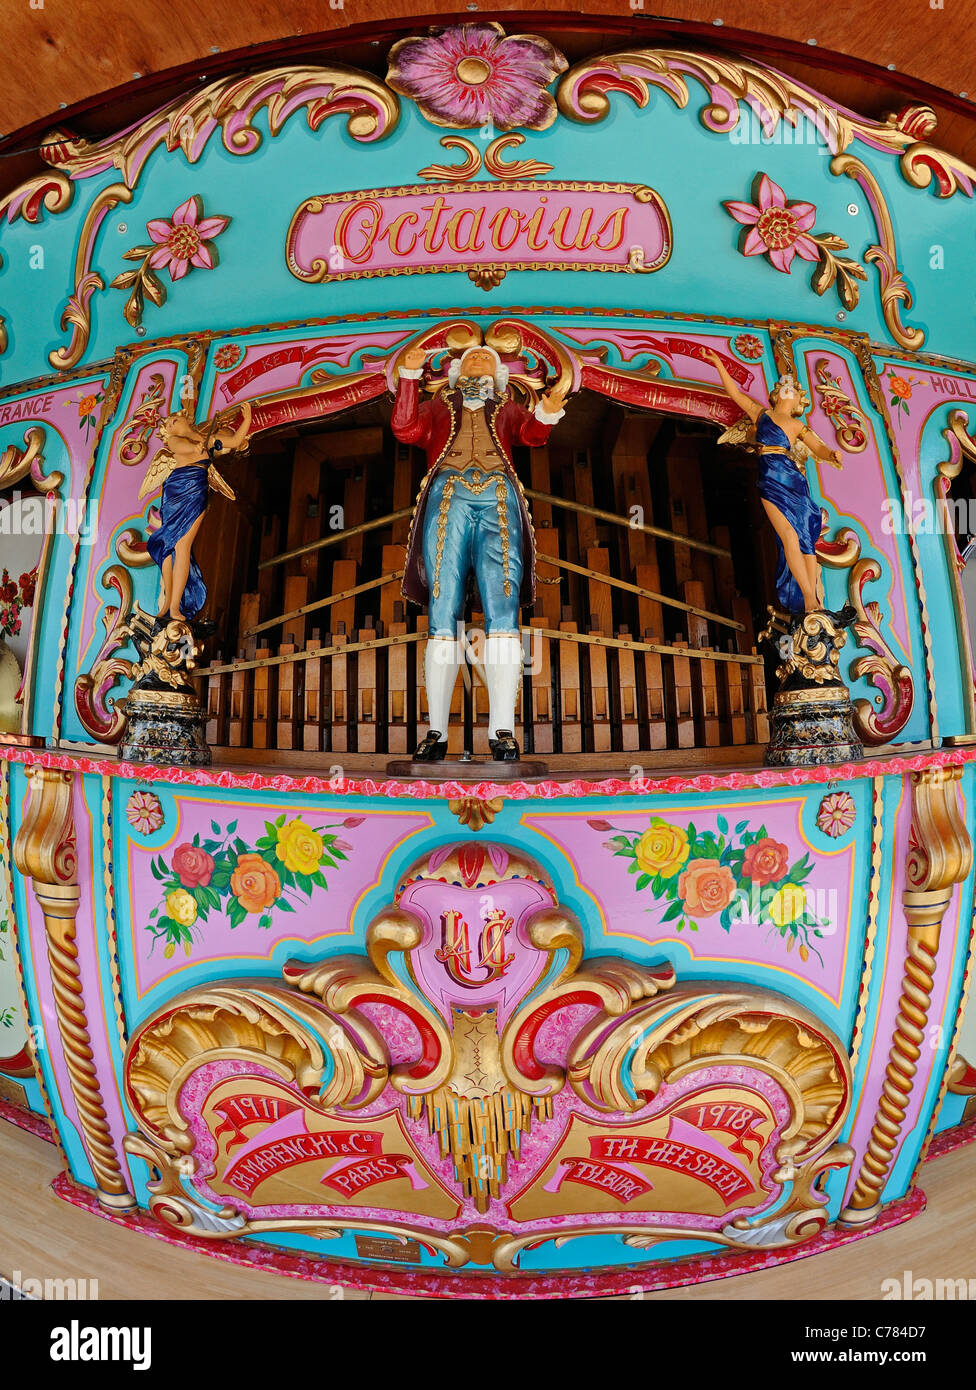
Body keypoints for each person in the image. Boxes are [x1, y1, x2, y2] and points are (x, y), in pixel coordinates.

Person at [392, 343, 568, 760]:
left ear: (498, 375)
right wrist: (409, 378)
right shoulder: (439, 407)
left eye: (486, 359)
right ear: (455, 371)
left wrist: (549, 409)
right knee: (442, 607)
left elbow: (532, 435)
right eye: (471, 358)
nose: (477, 361)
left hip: (498, 497)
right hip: (447, 492)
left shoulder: (505, 407)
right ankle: (435, 732)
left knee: (503, 608)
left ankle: (502, 729)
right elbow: (405, 429)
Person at [704, 349, 842, 614]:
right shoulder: (761, 414)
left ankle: (812, 598)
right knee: (788, 535)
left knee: (804, 538)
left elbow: (818, 447)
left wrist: (831, 454)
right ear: (777, 394)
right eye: (784, 388)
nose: (787, 391)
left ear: (796, 400)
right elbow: (735, 394)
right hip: (770, 479)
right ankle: (807, 596)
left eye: (792, 390)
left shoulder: (797, 425)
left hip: (792, 477)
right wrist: (719, 363)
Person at [143, 401, 251, 626]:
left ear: (186, 420)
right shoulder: (176, 440)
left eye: (175, 418)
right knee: (168, 545)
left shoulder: (207, 440)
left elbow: (234, 441)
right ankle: (166, 606)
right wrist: (204, 444)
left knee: (183, 546)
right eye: (170, 423)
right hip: (175, 491)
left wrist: (247, 418)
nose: (172, 422)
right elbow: (187, 449)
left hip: (196, 491)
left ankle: (174, 607)